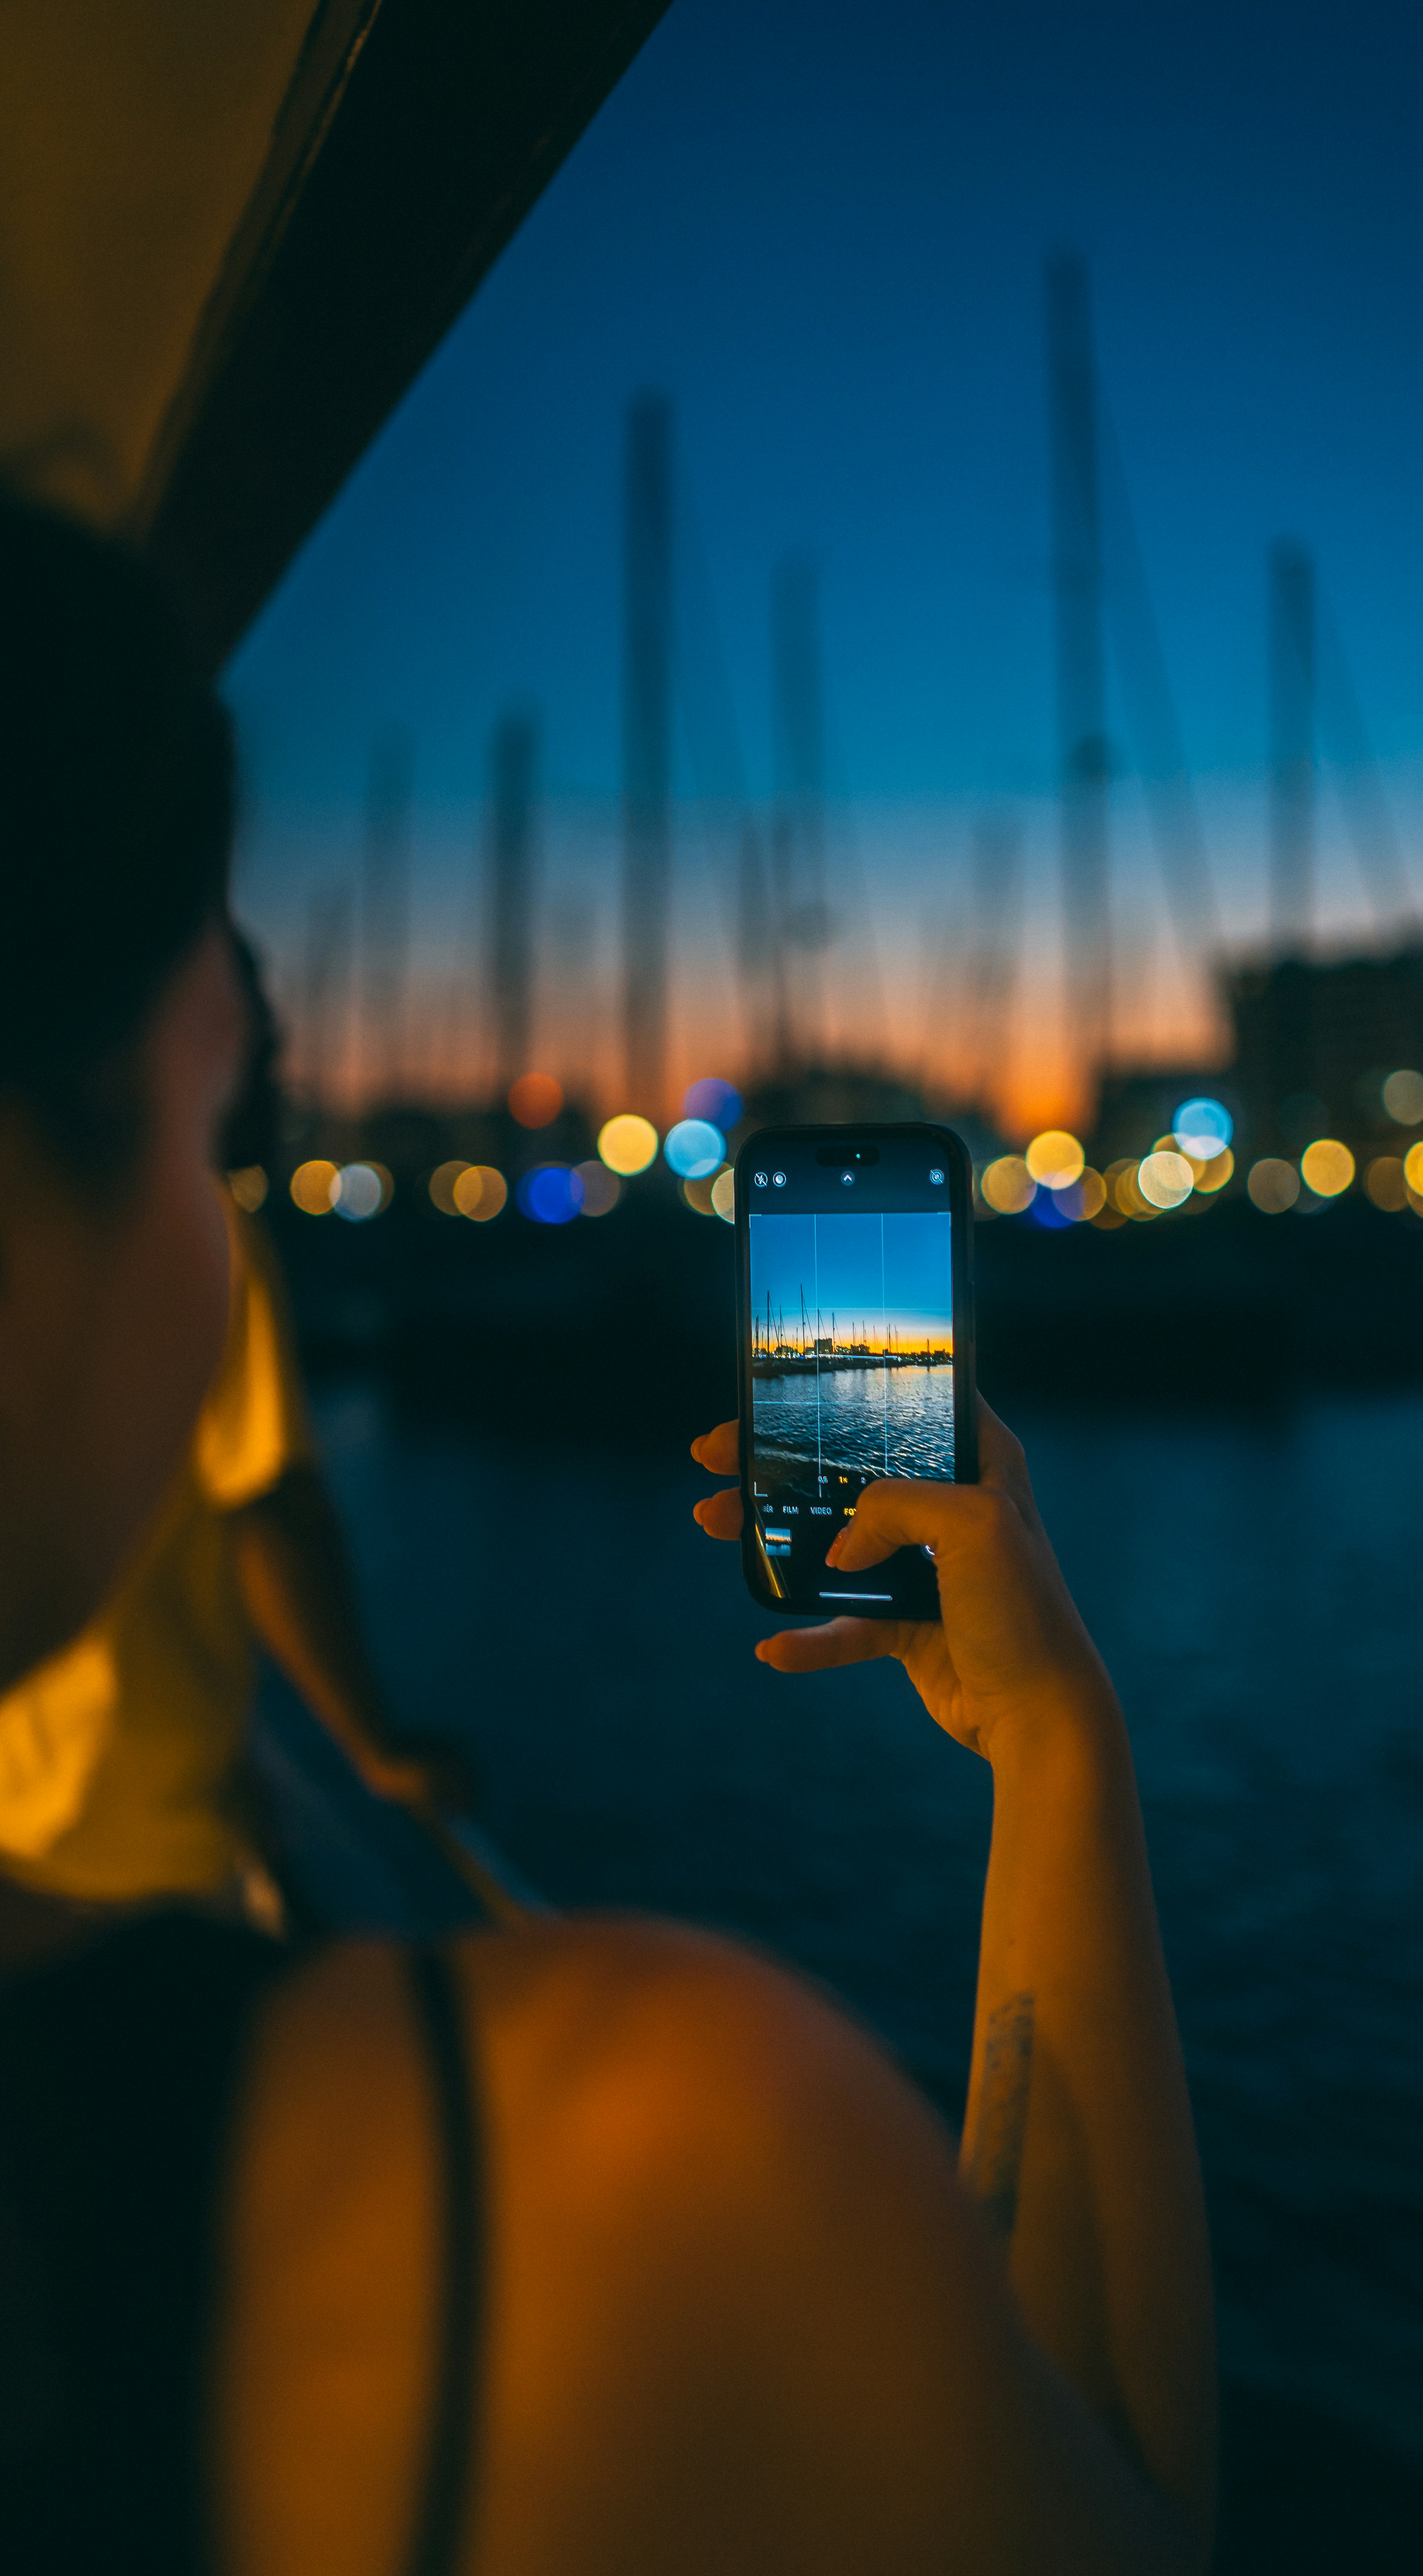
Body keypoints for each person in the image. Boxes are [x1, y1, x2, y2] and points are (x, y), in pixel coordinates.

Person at [0, 488, 1217, 2575]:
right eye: (226, 1131)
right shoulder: (616, 2174)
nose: (237, 1250)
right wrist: (1055, 1749)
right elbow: (1119, 2498)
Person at [0, 929, 452, 1938]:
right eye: (253, 1026)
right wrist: (373, 1743)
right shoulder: (193, 1237)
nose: (281, 1055)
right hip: (128, 1835)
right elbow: (272, 1513)